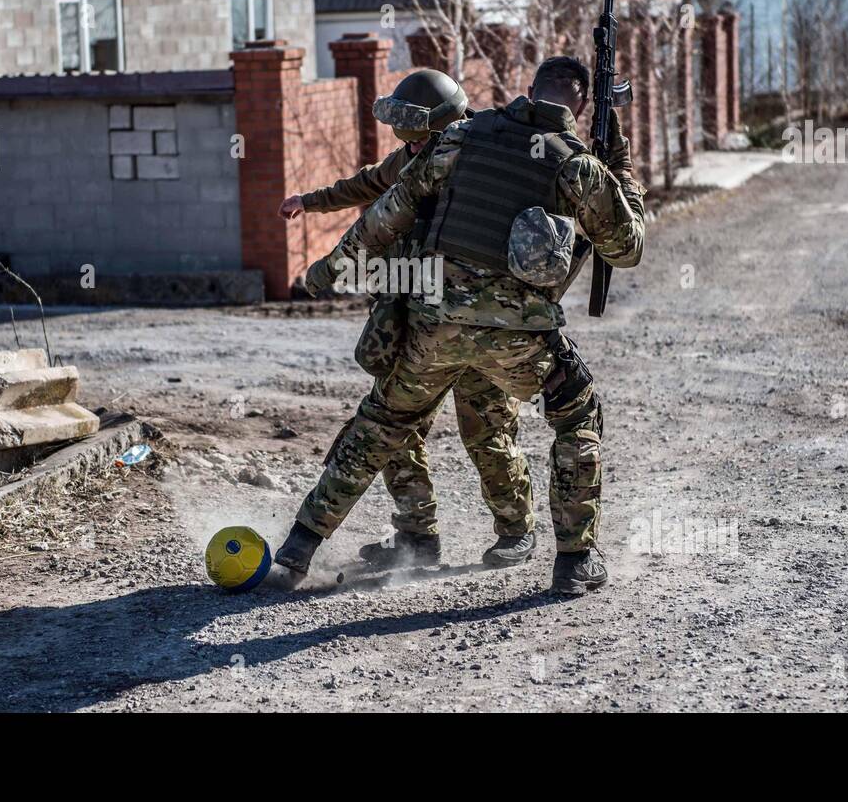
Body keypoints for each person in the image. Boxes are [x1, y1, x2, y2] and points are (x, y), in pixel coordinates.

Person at [275, 56, 646, 595]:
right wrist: (620, 165)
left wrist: (327, 270)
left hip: (434, 326)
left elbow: (388, 212)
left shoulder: (462, 138)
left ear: (528, 90)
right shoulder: (579, 165)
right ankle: (574, 561)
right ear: (583, 105)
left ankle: (300, 546)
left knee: (381, 422)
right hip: (519, 340)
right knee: (576, 414)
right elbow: (628, 248)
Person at [279, 70, 536, 569]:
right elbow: (370, 183)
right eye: (409, 141)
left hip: (485, 323)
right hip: (422, 326)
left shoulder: (484, 161)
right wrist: (308, 202)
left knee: (487, 433)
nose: (412, 150)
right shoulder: (417, 157)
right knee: (396, 430)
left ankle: (515, 531)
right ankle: (417, 537)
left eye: (419, 139)